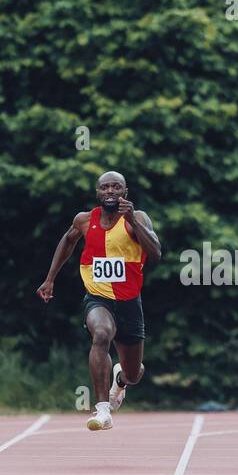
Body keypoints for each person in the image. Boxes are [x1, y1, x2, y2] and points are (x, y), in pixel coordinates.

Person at [37, 171, 162, 431]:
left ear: (125, 192)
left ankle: (120, 379)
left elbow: (156, 253)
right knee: (101, 335)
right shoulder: (84, 220)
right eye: (105, 187)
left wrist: (133, 222)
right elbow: (67, 242)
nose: (110, 192)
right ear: (97, 192)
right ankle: (103, 410)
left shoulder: (137, 218)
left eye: (116, 187)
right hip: (98, 297)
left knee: (133, 373)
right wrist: (50, 279)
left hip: (129, 300)